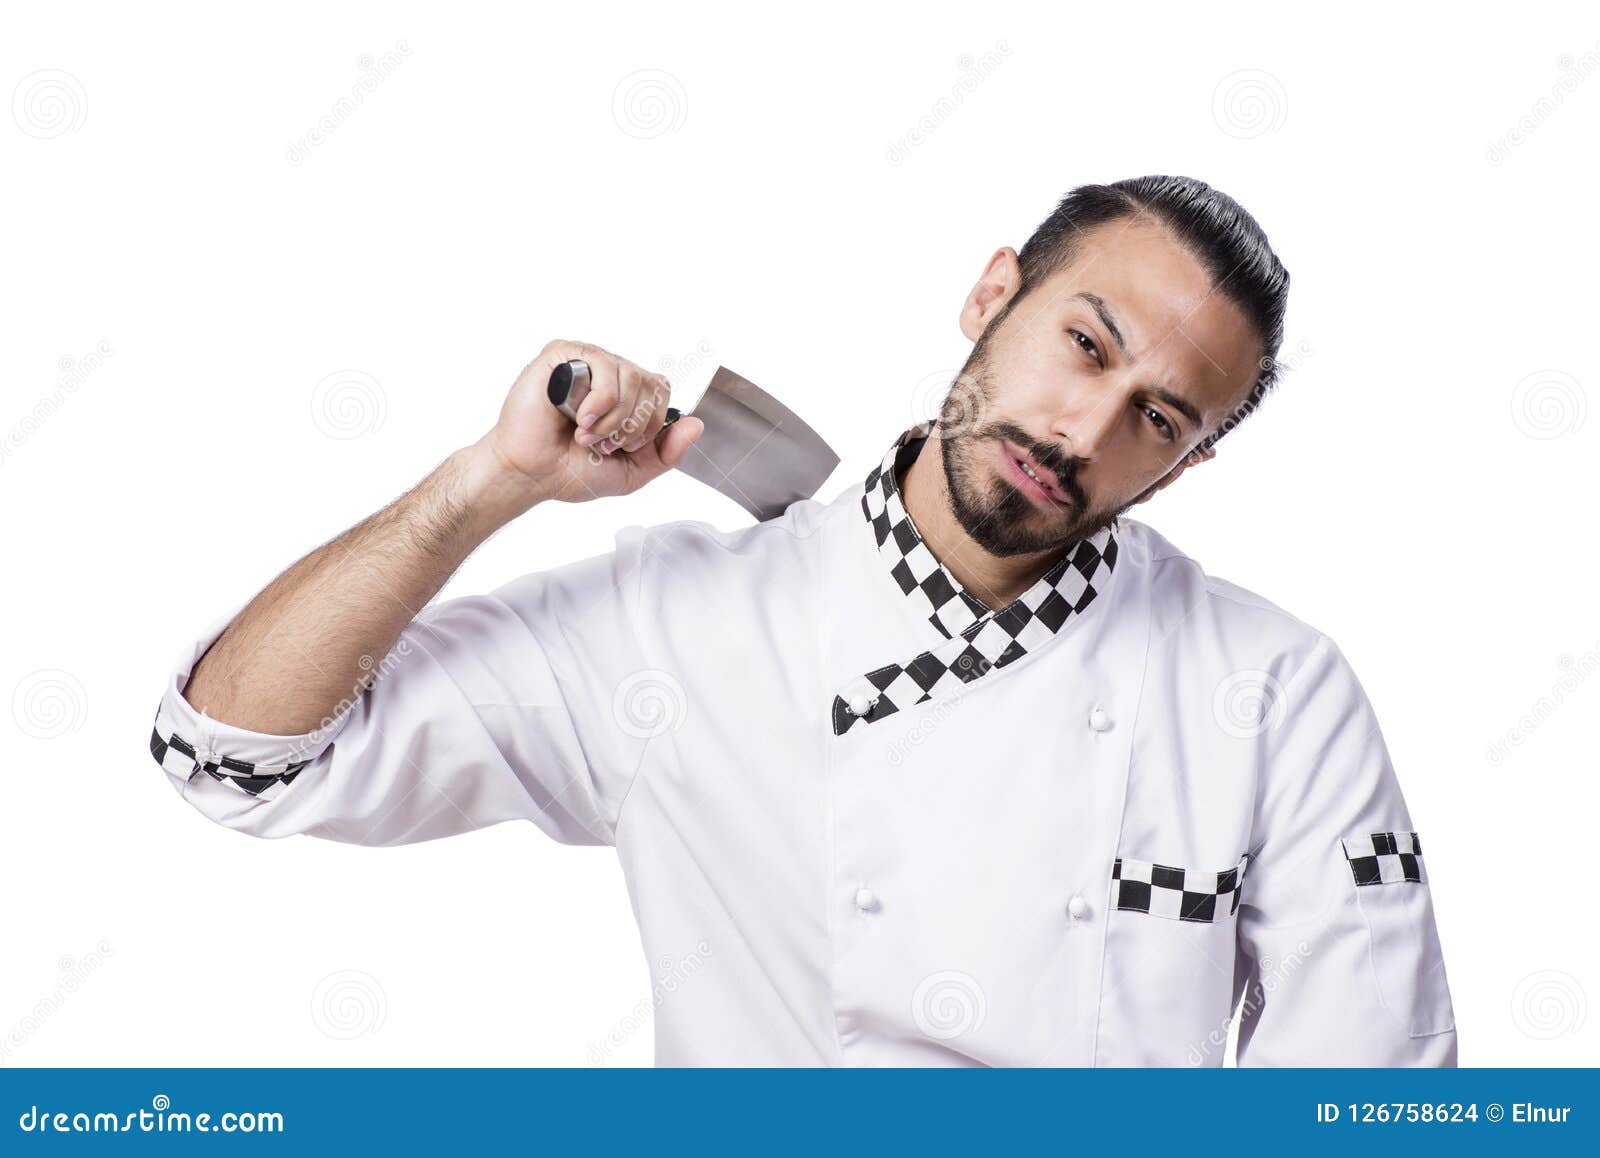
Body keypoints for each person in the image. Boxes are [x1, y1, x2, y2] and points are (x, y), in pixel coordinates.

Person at [148, 175, 1456, 1066]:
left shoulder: (1275, 691)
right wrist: (491, 482)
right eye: (1087, 344)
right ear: (991, 293)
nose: (1084, 430)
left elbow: (1374, 1104)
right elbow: (237, 753)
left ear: (1189, 464)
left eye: (1161, 420)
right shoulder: (674, 625)